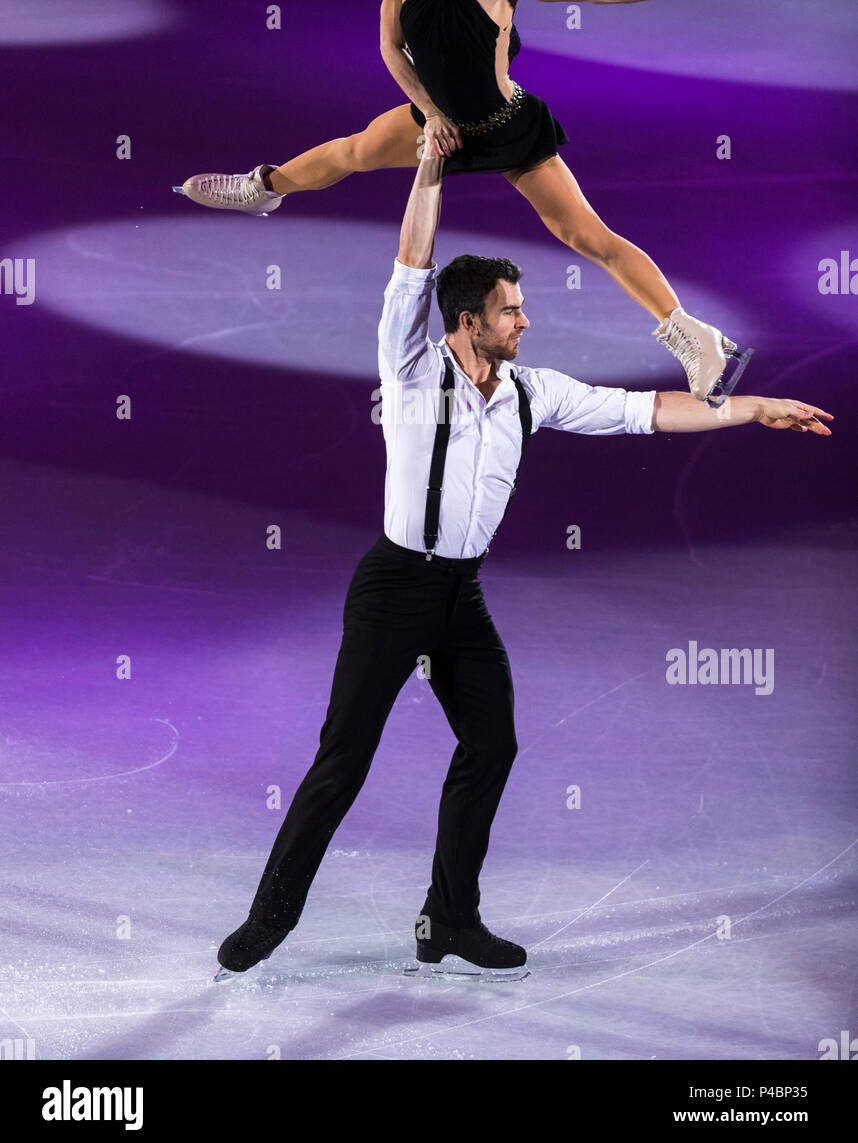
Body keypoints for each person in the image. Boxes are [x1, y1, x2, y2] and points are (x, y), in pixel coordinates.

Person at [213, 142, 832, 983]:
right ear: (468, 321)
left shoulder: (533, 390)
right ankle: (268, 919)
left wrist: (751, 407)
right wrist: (429, 166)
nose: (525, 320)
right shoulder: (409, 368)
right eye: (511, 310)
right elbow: (411, 266)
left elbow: (642, 411)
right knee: (342, 764)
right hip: (394, 588)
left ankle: (447, 919)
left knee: (491, 746)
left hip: (460, 597)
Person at [176, 0, 752, 407]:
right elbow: (390, 49)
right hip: (437, 121)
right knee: (352, 151)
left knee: (587, 235)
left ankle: (695, 339)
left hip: (506, 125)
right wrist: (428, 114)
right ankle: (262, 188)